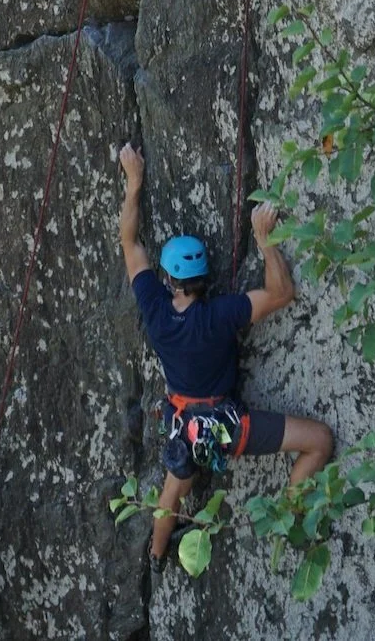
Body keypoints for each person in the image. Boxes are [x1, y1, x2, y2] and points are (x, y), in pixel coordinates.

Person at [117, 142, 334, 564]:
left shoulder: (156, 310)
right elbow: (281, 293)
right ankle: (288, 518)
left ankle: (157, 555)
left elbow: (130, 243)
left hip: (183, 426)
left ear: (170, 280)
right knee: (319, 441)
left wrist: (134, 180)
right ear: (205, 276)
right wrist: (264, 239)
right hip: (226, 427)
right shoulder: (220, 314)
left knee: (173, 490)